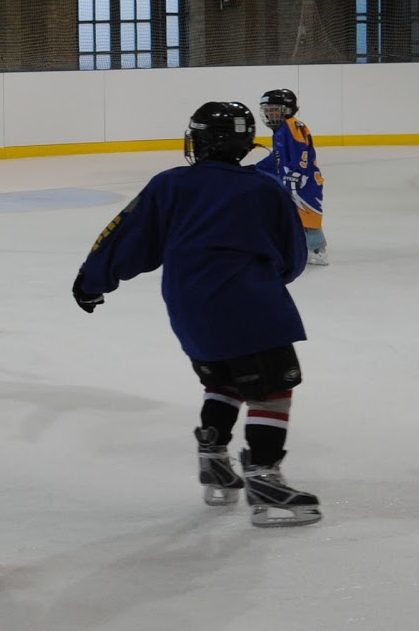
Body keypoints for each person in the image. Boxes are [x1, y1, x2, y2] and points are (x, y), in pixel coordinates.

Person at [73, 101, 320, 527]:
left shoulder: (169, 185)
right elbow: (292, 257)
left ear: (199, 139)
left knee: (223, 377)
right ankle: (263, 475)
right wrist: (269, 280)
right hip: (248, 301)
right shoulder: (265, 189)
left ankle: (214, 458)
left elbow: (125, 235)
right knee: (273, 386)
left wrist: (92, 281)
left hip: (188, 304)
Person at [255, 88, 328, 266]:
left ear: (287, 109)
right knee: (293, 215)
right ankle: (299, 247)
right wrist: (257, 168)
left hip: (305, 182)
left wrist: (296, 174)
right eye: (268, 110)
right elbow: (277, 158)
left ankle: (319, 251)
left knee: (309, 216)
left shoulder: (292, 126)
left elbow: (301, 151)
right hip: (293, 180)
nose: (270, 113)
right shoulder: (280, 130)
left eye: (274, 109)